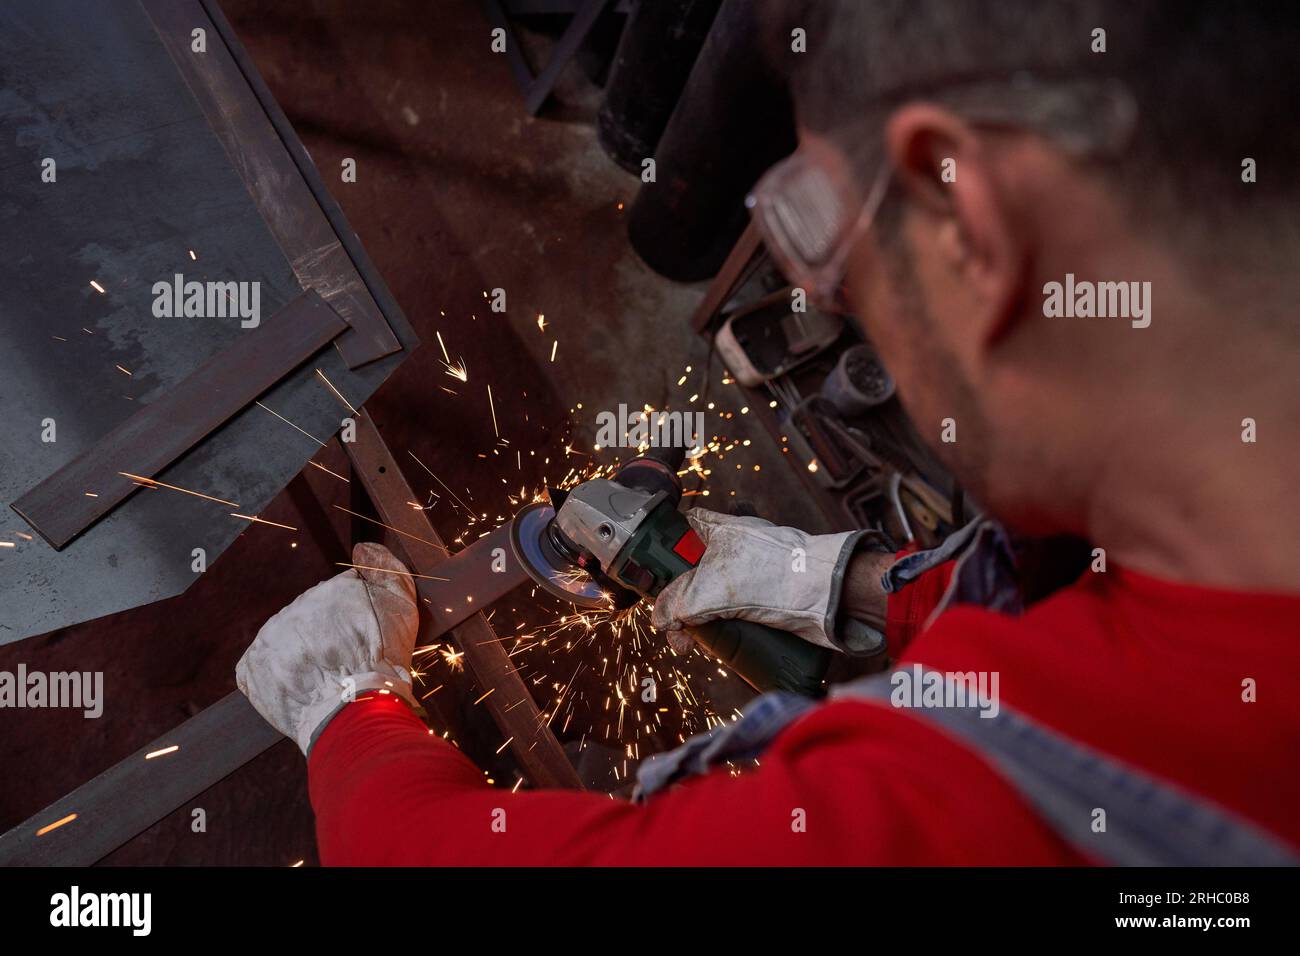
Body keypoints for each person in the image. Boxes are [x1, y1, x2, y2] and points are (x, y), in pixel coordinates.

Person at [237, 1, 1300, 864]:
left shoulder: (976, 812)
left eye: (817, 231)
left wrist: (343, 707)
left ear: (968, 222)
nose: (819, 283)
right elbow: (1079, 603)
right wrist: (834, 583)